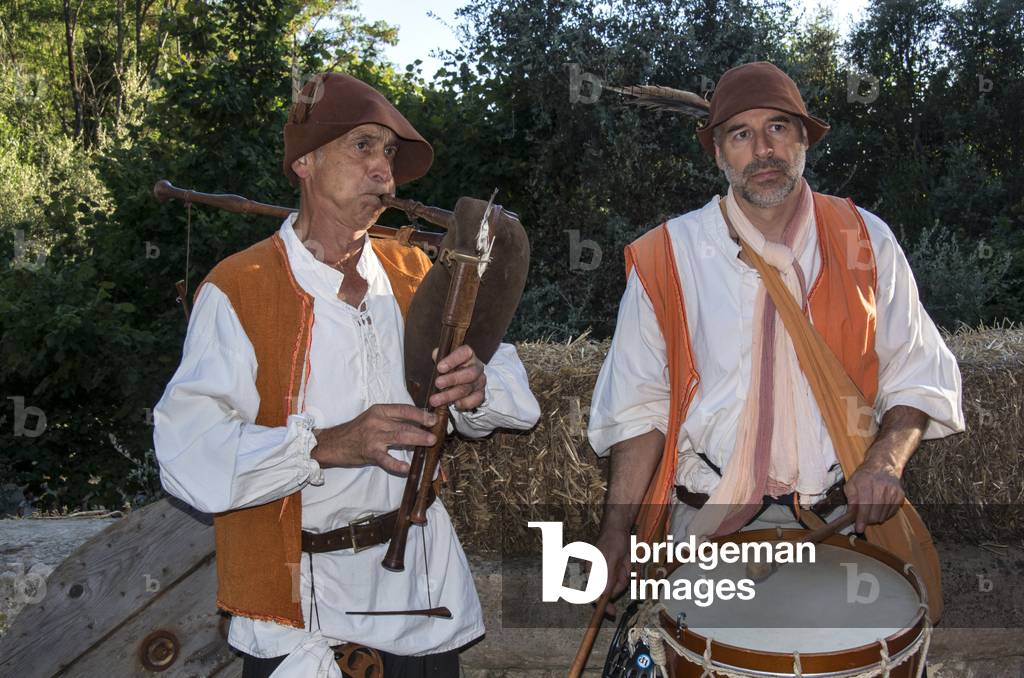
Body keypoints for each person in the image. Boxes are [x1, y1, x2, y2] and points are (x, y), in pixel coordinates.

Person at [154, 72, 540, 677]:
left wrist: (479, 385)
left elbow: (512, 381)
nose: (384, 168)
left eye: (388, 152)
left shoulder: (418, 272)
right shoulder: (240, 290)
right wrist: (332, 444)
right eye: (362, 145)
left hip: (419, 598)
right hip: (302, 614)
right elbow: (185, 453)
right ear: (304, 163)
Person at [587, 61, 964, 610]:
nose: (763, 149)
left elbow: (917, 370)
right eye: (741, 134)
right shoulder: (666, 256)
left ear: (804, 140)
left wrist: (885, 461)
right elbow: (638, 405)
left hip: (837, 519)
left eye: (779, 128)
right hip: (708, 521)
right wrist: (618, 529)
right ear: (719, 154)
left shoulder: (866, 239)